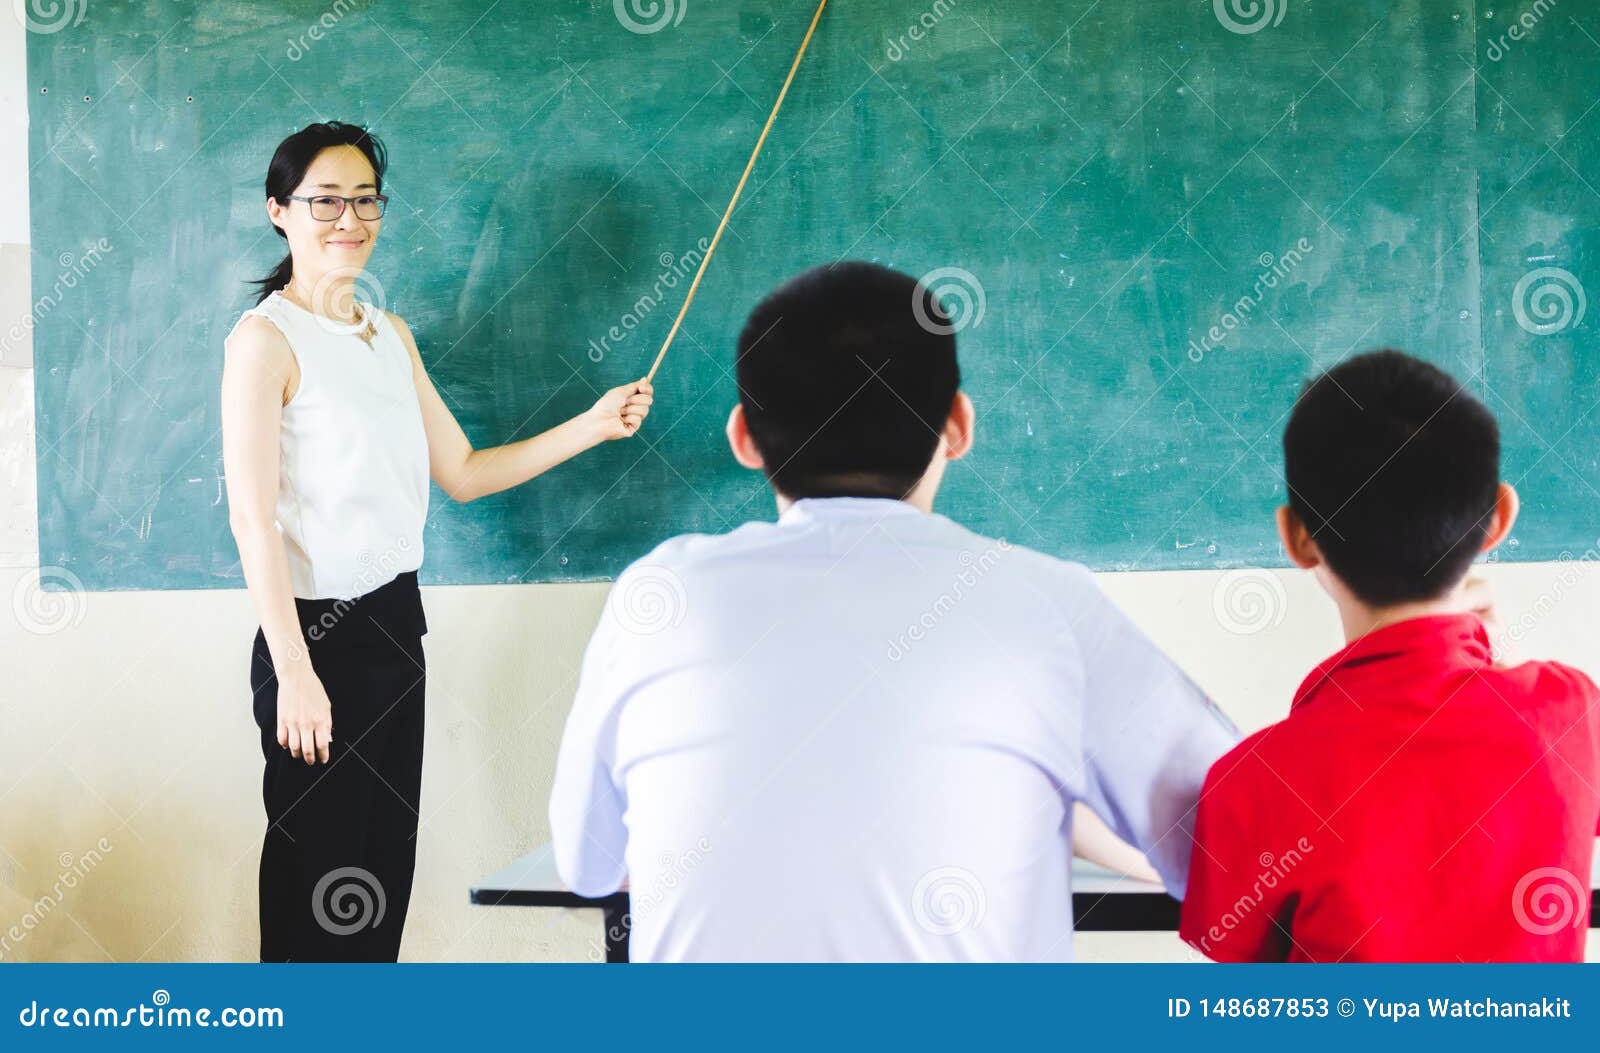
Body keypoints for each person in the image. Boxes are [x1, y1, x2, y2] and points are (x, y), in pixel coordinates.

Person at [549, 260, 1235, 960]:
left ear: (743, 436)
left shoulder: (655, 598)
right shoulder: (1046, 603)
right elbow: (1243, 832)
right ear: (959, 424)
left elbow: (589, 863)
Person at [221, 121, 652, 961]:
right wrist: (297, 674)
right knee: (317, 890)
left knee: (381, 880)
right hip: (313, 641)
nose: (348, 218)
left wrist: (591, 427)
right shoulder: (263, 341)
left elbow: (463, 469)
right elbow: (253, 518)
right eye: (324, 201)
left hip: (394, 628)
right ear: (280, 211)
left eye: (364, 199)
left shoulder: (390, 336)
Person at [1180, 349, 1600, 962]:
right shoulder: (1573, 716)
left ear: (1297, 537)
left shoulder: (1252, 781)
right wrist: (1489, 659)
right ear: (1498, 519)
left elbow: (1235, 950)